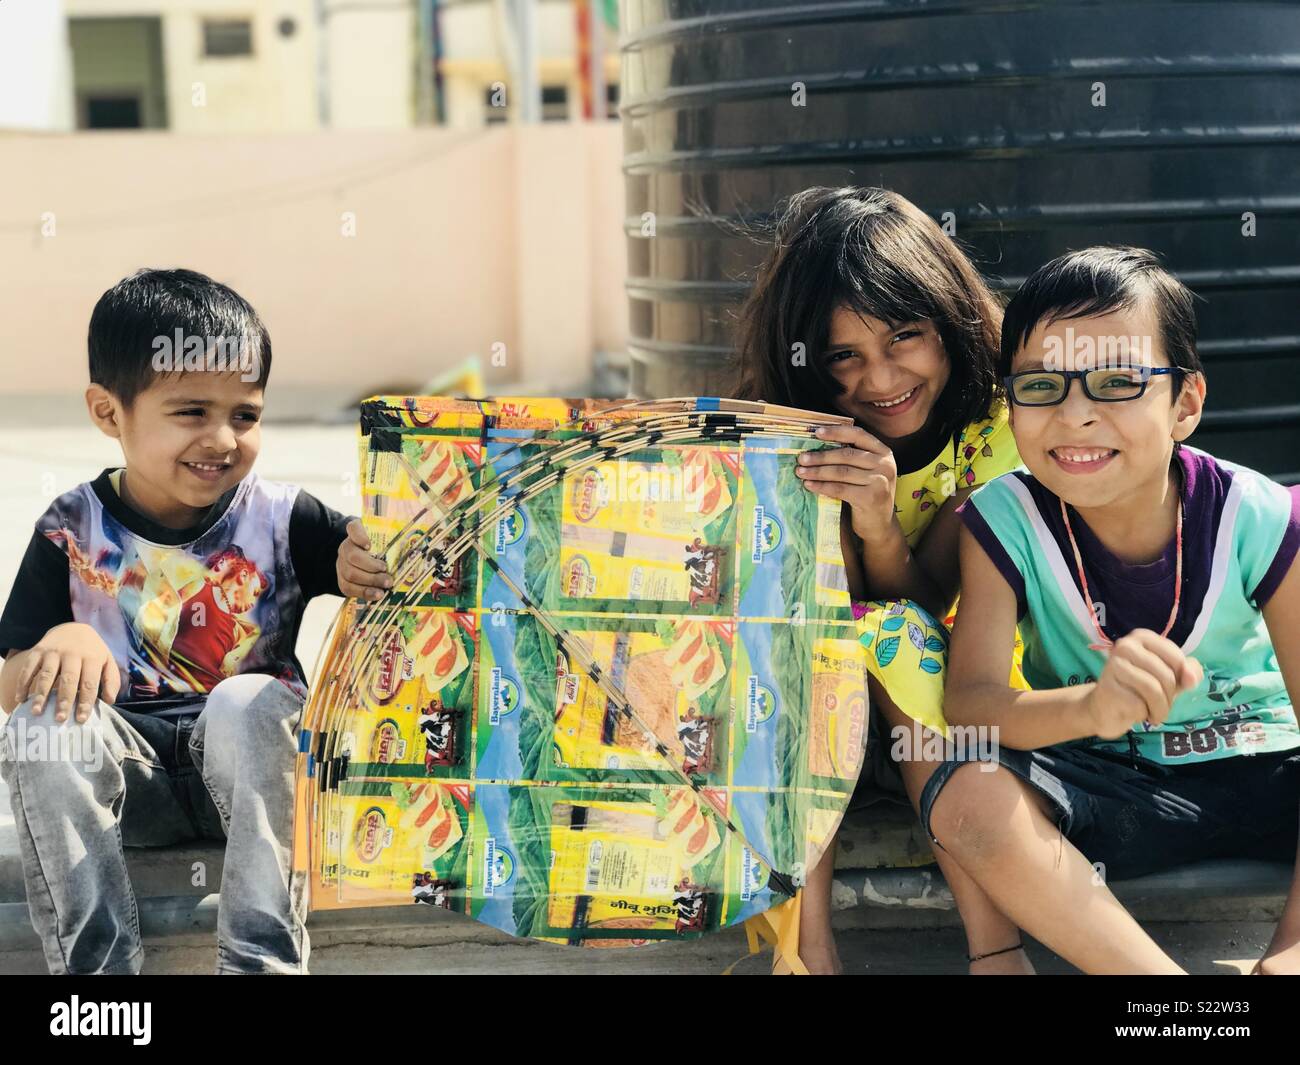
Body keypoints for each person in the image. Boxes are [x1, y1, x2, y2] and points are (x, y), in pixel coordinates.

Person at [0, 268, 390, 974]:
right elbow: (13, 682)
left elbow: (360, 560)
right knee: (38, 723)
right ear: (108, 412)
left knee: (253, 698)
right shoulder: (70, 528)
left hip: (250, 781)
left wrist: (359, 561)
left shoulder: (283, 516)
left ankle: (260, 961)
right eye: (191, 412)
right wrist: (60, 640)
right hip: (131, 788)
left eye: (244, 414)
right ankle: (97, 982)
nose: (222, 438)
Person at [922, 246, 1300, 974]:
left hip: (1270, 770)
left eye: (1118, 381)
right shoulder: (1004, 519)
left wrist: (1284, 953)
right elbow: (971, 703)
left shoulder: (1256, 515)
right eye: (1040, 385)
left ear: (1185, 403)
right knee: (965, 790)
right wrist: (1090, 708)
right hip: (1113, 786)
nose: (1075, 415)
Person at [734, 187, 1029, 973]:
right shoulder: (788, 439)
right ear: (806, 359)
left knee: (897, 636)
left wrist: (878, 523)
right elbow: (810, 602)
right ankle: (809, 954)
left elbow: (926, 606)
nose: (882, 377)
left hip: (965, 720)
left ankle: (995, 951)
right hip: (816, 724)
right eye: (844, 356)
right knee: (795, 646)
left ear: (949, 321)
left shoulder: (999, 429)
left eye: (906, 336)